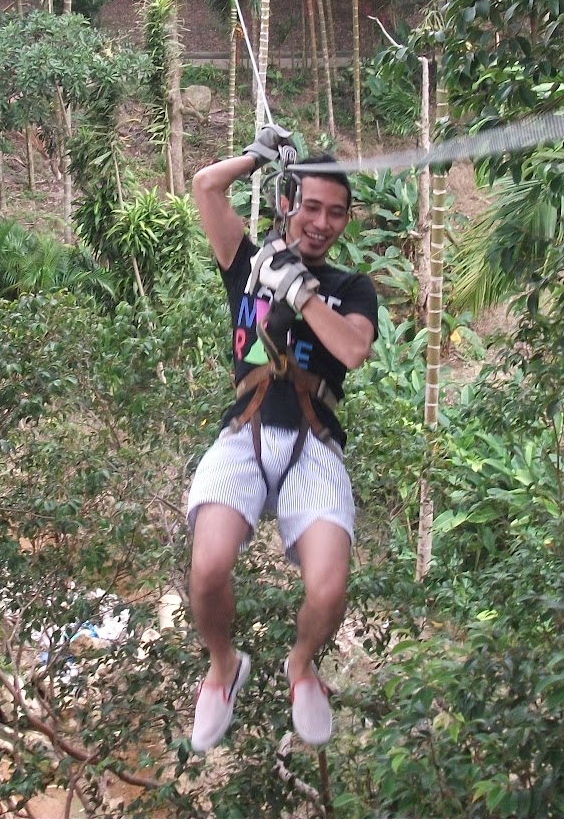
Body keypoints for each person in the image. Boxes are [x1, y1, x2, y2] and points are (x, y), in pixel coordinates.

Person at [185, 125, 379, 753]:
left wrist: (299, 287)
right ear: (286, 201)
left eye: (336, 213)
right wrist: (256, 156)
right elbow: (204, 186)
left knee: (328, 587)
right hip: (245, 433)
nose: (321, 222)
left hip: (313, 442)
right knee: (209, 568)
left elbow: (350, 350)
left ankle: (301, 666)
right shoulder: (246, 263)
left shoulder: (351, 289)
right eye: (311, 206)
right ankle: (223, 665)